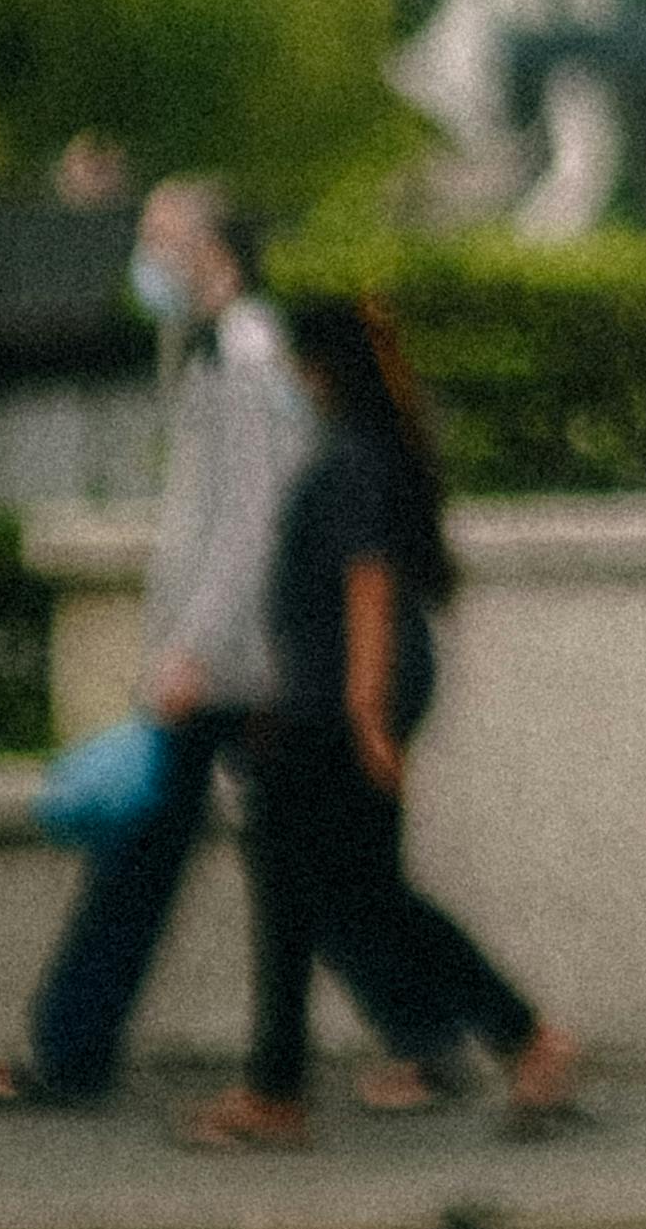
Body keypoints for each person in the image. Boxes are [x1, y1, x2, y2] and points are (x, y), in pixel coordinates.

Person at [186, 293, 582, 1152]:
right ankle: (509, 1040)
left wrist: (366, 718)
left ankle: (284, 1091)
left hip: (333, 707)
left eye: (297, 363)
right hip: (326, 702)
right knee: (351, 896)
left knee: (321, 897)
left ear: (321, 369)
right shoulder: (373, 450)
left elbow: (368, 584)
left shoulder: (354, 460)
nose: (290, 378)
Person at [0, 177, 306, 1111]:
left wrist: (191, 651)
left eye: (164, 236)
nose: (147, 253)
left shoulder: (243, 360)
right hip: (225, 666)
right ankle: (69, 1052)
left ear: (216, 251)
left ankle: (69, 1056)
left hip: (229, 671)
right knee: (176, 860)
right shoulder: (215, 354)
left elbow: (249, 526)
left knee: (166, 864)